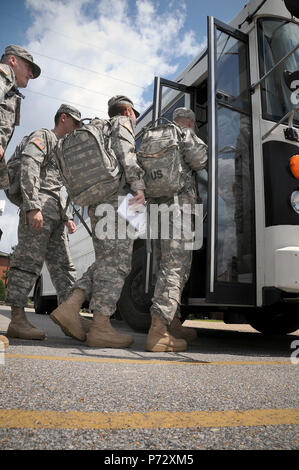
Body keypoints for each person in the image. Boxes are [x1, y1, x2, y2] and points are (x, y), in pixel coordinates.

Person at [50, 95, 145, 348]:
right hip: (117, 199)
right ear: (127, 111)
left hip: (96, 201)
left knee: (106, 260)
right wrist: (138, 189)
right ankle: (101, 326)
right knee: (118, 264)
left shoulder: (99, 127)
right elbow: (128, 156)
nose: (135, 119)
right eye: (134, 114)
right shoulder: (121, 123)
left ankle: (70, 307)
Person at [5, 104, 81, 340]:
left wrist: (67, 217)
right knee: (28, 262)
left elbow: (58, 186)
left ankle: (71, 319)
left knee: (65, 268)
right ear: (63, 118)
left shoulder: (62, 149)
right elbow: (30, 167)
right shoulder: (43, 136)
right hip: (39, 209)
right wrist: (32, 206)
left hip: (56, 215)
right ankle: (17, 319)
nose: (77, 128)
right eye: (75, 123)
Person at [145, 107, 208, 352]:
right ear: (190, 123)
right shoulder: (185, 134)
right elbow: (200, 160)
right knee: (176, 267)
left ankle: (174, 322)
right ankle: (158, 331)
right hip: (178, 211)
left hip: (156, 211)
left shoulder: (157, 137)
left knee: (165, 265)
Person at [0, 44, 41, 189]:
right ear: (12, 60)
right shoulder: (4, 72)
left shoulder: (9, 86)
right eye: (28, 67)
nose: (31, 74)